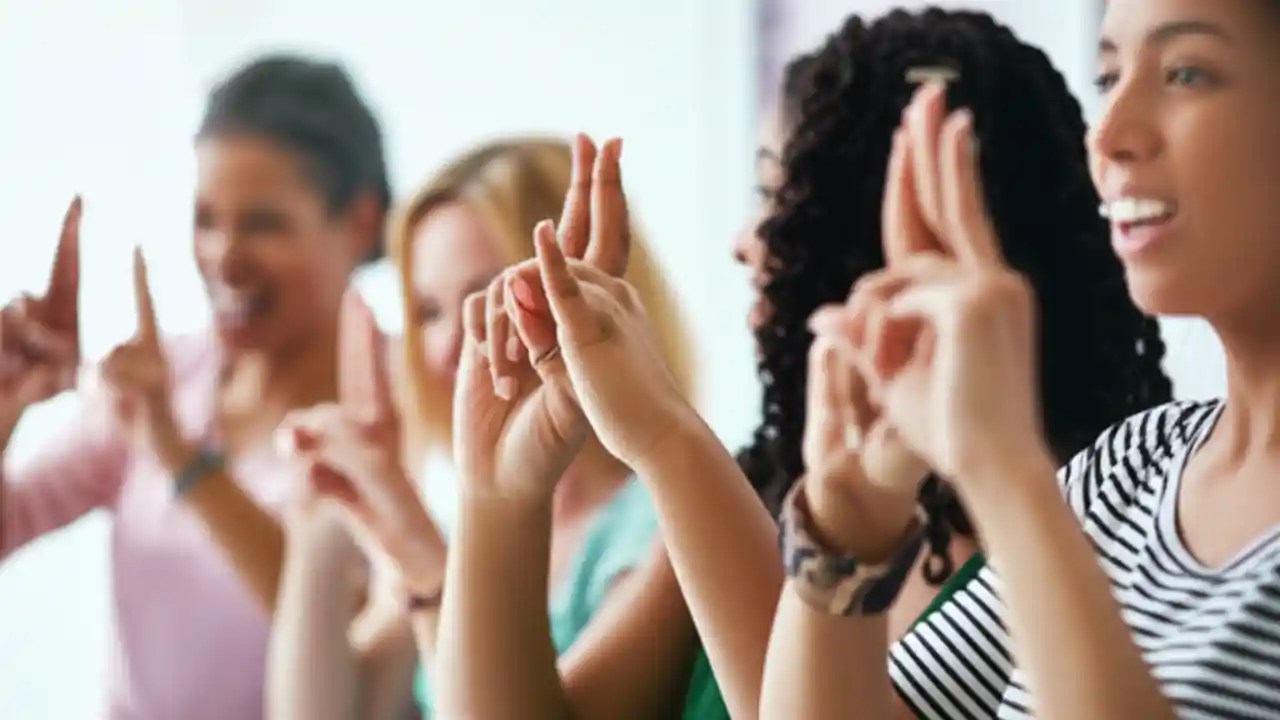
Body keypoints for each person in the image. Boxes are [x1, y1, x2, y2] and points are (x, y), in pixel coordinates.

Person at [438, 8, 1175, 719]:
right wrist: (501, 495)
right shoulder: (763, 487)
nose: (745, 240)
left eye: (775, 195)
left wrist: (667, 438)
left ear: (889, 218)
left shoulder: (1062, 536)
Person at [762, 0, 1280, 717]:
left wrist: (1002, 464)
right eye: (1108, 78)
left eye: (1186, 73)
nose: (1109, 135)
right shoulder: (1128, 466)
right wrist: (849, 520)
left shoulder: (1045, 486)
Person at [0, 54, 389, 719]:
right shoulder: (163, 380)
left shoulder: (404, 402)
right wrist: (4, 408)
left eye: (263, 223)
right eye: (207, 219)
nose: (222, 256)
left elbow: (364, 642)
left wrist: (179, 456)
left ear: (359, 220)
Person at [266, 136, 697, 720]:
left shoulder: (656, 528)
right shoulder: (459, 524)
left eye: (484, 299)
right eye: (427, 312)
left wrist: (427, 563)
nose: (445, 348)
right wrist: (320, 520)